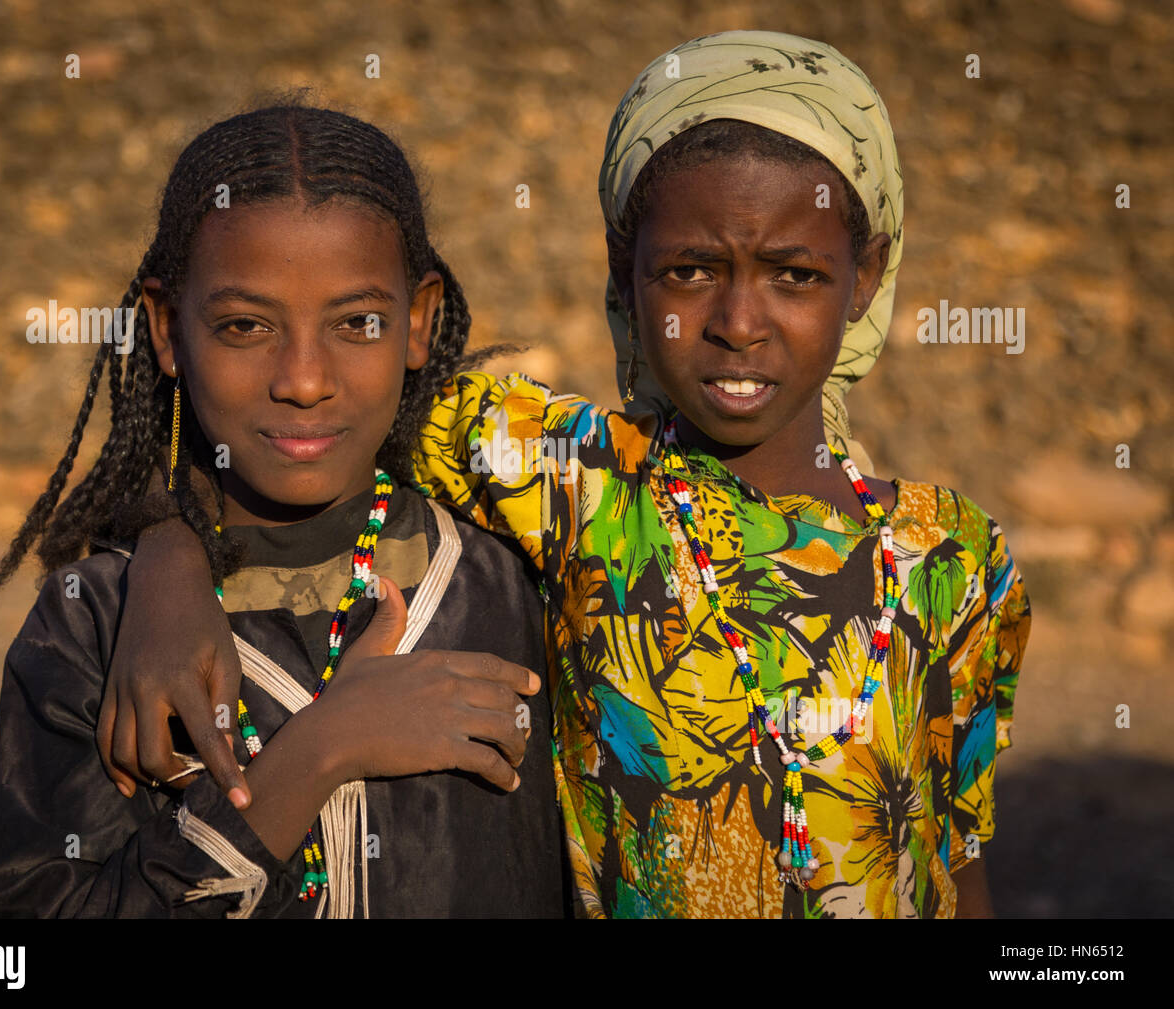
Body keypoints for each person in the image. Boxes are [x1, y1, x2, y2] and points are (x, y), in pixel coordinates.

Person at [102, 31, 1031, 918]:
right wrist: (170, 561)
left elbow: (956, 862)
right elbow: (307, 413)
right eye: (691, 270)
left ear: (864, 276)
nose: (740, 321)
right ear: (624, 277)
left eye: (794, 274)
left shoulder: (953, 557)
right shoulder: (570, 477)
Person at [0, 99, 570, 918]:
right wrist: (321, 750)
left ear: (419, 322)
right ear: (164, 328)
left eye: (357, 322)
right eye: (245, 325)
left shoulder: (511, 590)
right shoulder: (90, 630)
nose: (302, 378)